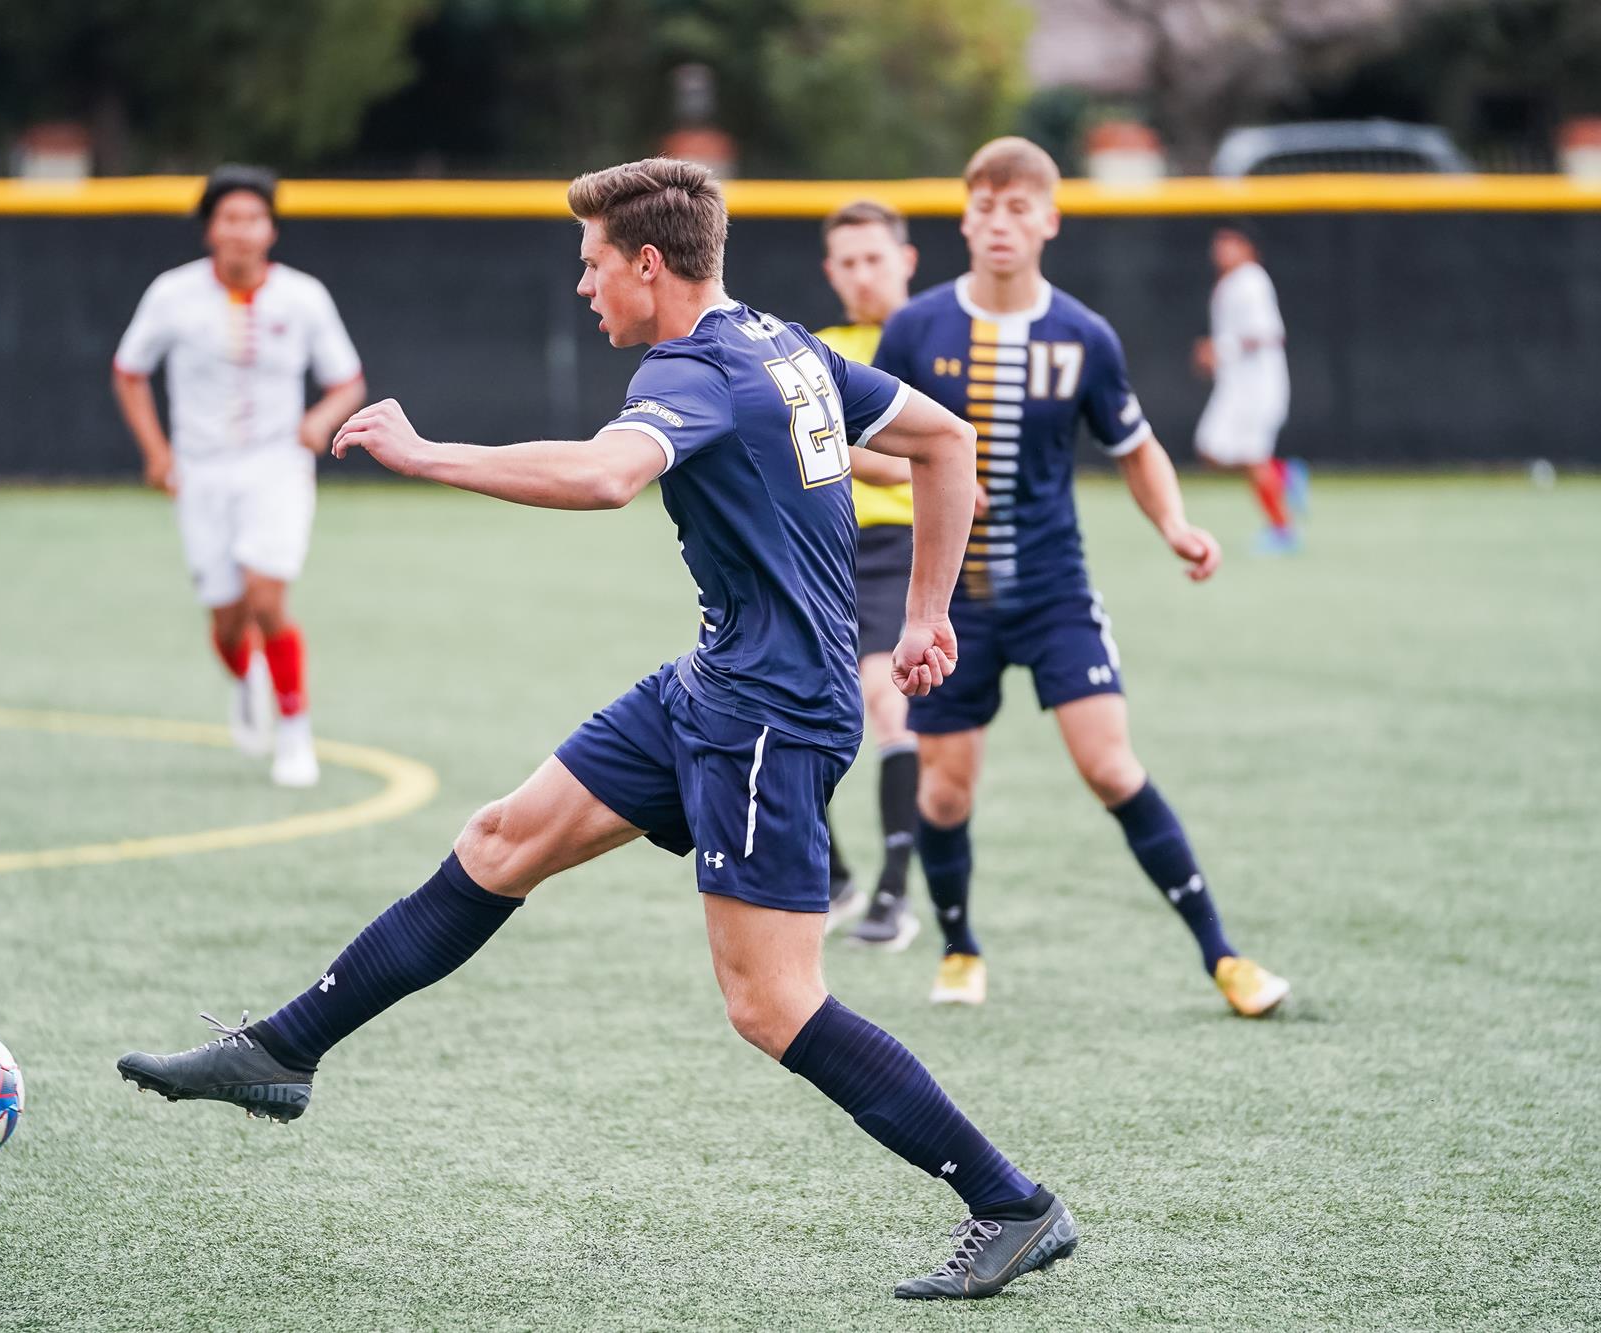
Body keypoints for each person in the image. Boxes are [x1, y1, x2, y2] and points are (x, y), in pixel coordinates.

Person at [119, 158, 1078, 1301]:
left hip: (767, 717)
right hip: (714, 684)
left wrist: (427, 454)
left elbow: (601, 477)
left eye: (589, 265)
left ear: (645, 264)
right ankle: (281, 1050)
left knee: (770, 1004)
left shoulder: (701, 368)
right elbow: (943, 443)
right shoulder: (777, 340)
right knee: (499, 842)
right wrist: (924, 614)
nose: (582, 287)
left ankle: (1011, 1202)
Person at [873, 138, 1289, 1017]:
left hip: (1056, 591)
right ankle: (959, 947)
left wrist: (1175, 524)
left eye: (1019, 208)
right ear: (963, 216)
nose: (999, 223)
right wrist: (938, 482)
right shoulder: (916, 329)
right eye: (984, 206)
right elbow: (870, 445)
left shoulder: (1084, 335)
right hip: (953, 602)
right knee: (946, 788)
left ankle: (1225, 956)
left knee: (1110, 767)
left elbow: (1136, 448)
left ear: (1049, 222)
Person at [112, 165, 367, 784]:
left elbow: (347, 380)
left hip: (276, 465)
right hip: (200, 471)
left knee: (266, 595)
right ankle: (248, 673)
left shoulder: (303, 297)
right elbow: (129, 369)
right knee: (226, 620)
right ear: (209, 230)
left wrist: (320, 420)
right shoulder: (172, 294)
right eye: (229, 218)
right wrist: (156, 450)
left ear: (271, 230)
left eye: (253, 218)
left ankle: (295, 729)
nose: (241, 230)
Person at [811, 200, 925, 948]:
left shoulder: (934, 339)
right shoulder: (815, 349)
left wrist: (837, 445)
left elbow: (954, 453)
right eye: (847, 262)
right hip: (824, 548)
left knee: (887, 704)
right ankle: (835, 881)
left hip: (903, 548)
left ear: (905, 260)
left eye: (874, 258)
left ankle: (893, 896)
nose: (861, 274)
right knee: (791, 707)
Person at [1192, 222, 1303, 553]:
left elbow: (1267, 333)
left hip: (1259, 387)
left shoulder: (1251, 280)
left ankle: (1282, 531)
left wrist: (1220, 350)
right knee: (1211, 450)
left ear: (1250, 248)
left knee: (1254, 458)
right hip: (1236, 387)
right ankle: (1285, 475)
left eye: (1232, 242)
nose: (1223, 249)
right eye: (1220, 242)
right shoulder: (1229, 284)